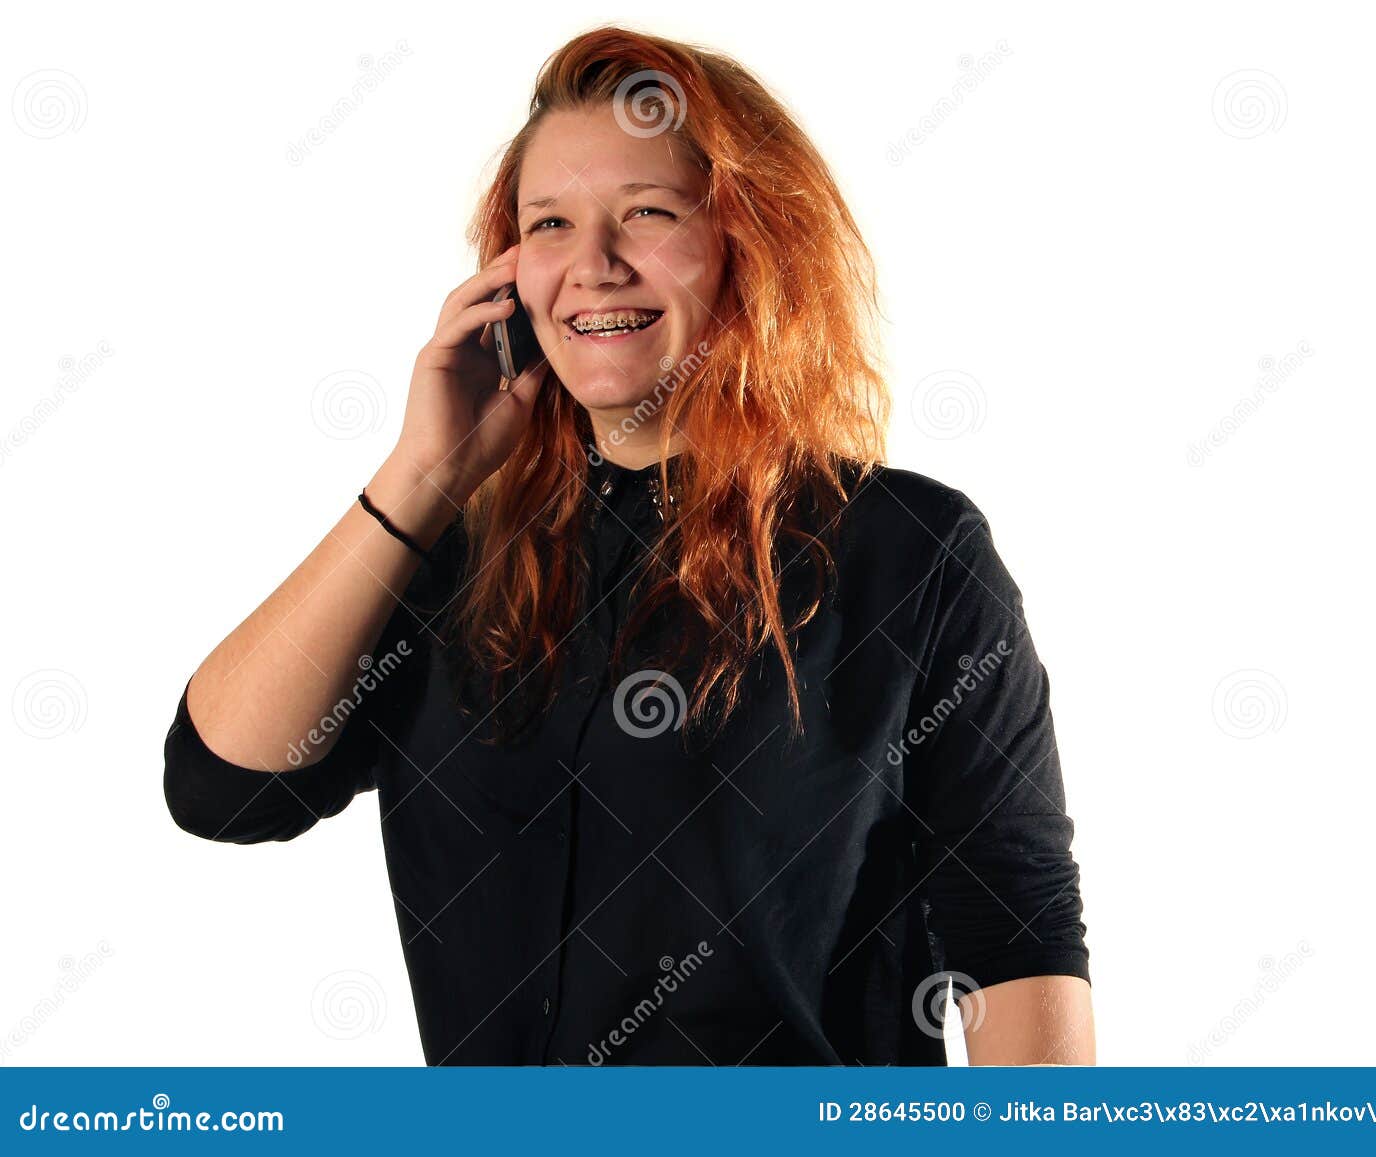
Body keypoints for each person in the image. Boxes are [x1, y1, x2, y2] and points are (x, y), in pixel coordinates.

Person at [162, 24, 1094, 1066]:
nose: (593, 265)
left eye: (647, 214)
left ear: (753, 238)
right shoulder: (453, 555)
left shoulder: (906, 550)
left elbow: (1013, 929)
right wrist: (419, 477)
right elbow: (223, 789)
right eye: (549, 224)